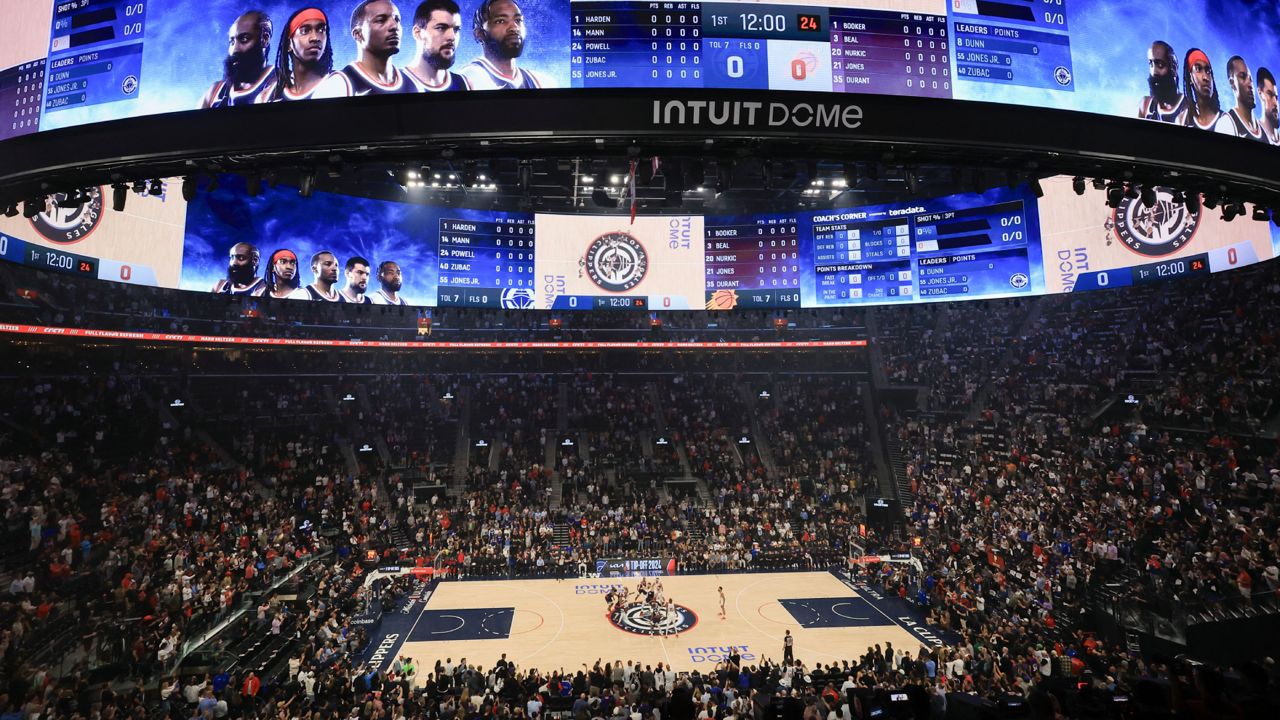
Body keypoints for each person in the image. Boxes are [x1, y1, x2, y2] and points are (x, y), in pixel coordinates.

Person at [314, 0, 418, 97]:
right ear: (358, 34)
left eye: (397, 20)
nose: (394, 26)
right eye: (381, 20)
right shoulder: (338, 85)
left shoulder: (412, 83)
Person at [460, 0, 550, 90]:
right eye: (500, 21)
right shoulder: (469, 78)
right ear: (479, 34)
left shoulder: (538, 81)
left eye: (518, 20)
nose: (514, 27)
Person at [260, 7, 335, 102]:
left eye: (321, 30)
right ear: (289, 44)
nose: (315, 38)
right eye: (305, 31)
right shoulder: (269, 95)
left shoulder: (337, 83)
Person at [201, 11, 275, 108]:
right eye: (232, 42)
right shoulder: (215, 93)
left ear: (265, 39)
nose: (235, 50)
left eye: (244, 39)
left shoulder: (282, 85)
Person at [405, 0, 471, 91]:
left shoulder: (465, 84)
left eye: (456, 30)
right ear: (418, 33)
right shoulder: (397, 83)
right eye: (441, 28)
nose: (452, 37)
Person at [1182, 47, 1232, 134]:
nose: (1205, 77)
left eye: (1208, 71)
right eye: (1198, 69)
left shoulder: (1227, 121)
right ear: (1190, 77)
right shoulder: (1183, 121)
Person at [1139, 40, 1187, 124]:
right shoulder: (1145, 105)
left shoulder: (1189, 109)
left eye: (1160, 64)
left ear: (1174, 68)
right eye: (1151, 64)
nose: (1154, 72)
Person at [1224, 55, 1267, 142]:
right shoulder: (1227, 123)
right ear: (1232, 83)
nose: (1250, 84)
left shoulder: (1264, 131)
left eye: (1250, 79)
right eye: (1243, 77)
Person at [1258, 67, 1280, 145]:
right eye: (1270, 94)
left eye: (1276, 98)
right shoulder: (1252, 133)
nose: (1275, 103)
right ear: (1260, 94)